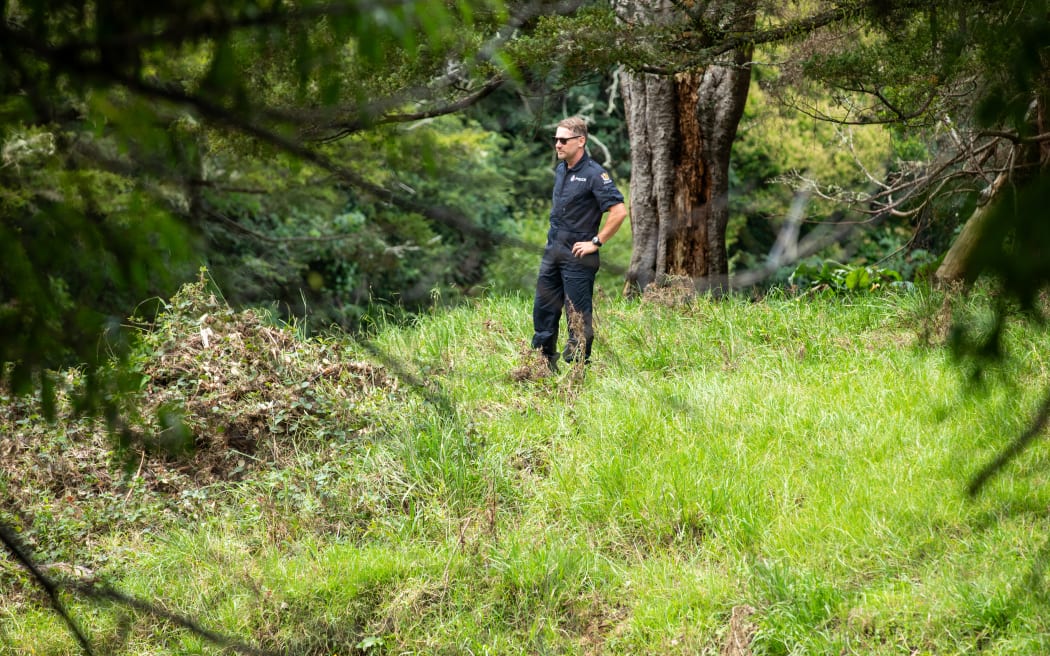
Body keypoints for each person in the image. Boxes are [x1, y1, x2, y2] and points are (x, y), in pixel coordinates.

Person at [531, 116, 628, 372]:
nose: (558, 145)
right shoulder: (562, 169)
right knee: (544, 309)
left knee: (577, 315)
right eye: (556, 140)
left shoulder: (595, 174)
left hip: (578, 256)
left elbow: (618, 211)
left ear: (580, 141)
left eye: (563, 140)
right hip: (553, 251)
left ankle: (577, 372)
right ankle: (543, 365)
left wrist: (596, 242)